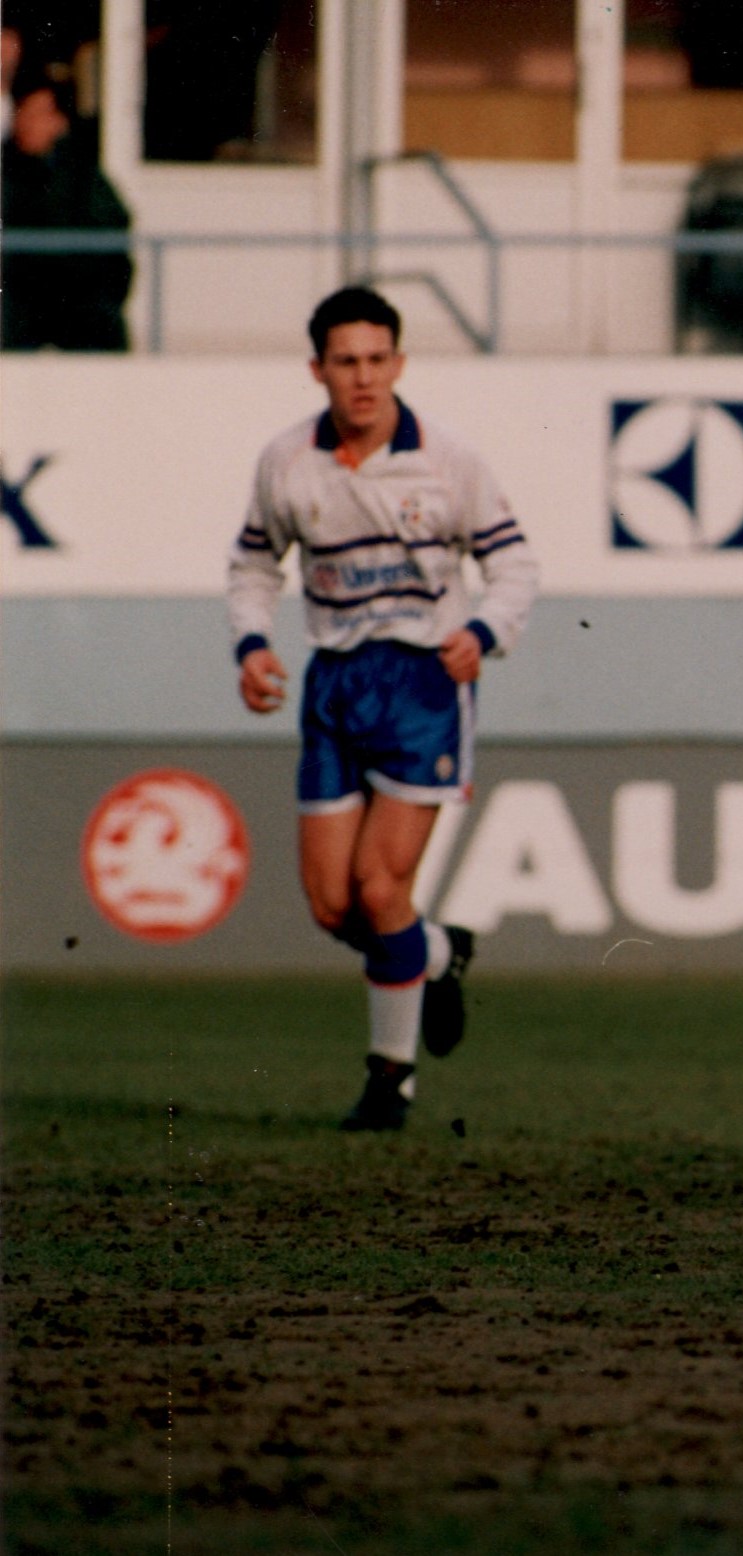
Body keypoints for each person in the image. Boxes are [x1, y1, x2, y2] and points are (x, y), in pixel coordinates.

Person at [227, 288, 539, 1131]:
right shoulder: (287, 462)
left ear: (398, 364)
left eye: (376, 360)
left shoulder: (448, 460)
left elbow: (513, 568)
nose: (362, 379)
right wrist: (251, 643)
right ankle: (436, 954)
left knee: (378, 885)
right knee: (333, 906)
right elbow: (255, 567)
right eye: (345, 362)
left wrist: (483, 629)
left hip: (424, 686)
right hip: (335, 685)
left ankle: (388, 1083)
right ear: (317, 370)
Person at [1, 72, 134, 351]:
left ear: (59, 122)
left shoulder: (81, 173)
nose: (26, 123)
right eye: (22, 113)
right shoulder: (6, 168)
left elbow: (114, 227)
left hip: (75, 297)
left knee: (102, 326)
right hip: (20, 298)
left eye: (38, 114)